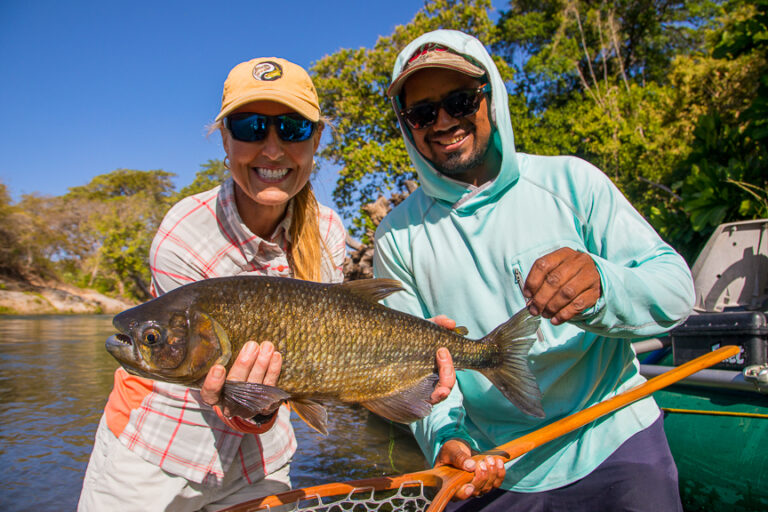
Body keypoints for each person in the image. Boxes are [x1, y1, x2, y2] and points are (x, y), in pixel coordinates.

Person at [78, 56, 455, 511]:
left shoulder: (329, 231)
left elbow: (328, 359)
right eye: (251, 127)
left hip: (262, 465)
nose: (272, 149)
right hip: (150, 461)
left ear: (316, 139)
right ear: (224, 139)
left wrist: (407, 352)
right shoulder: (182, 233)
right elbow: (200, 375)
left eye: (293, 129)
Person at [373, 30, 696, 510]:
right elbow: (412, 370)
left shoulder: (572, 181)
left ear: (491, 98)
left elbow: (675, 291)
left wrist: (604, 285)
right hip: (493, 468)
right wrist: (446, 438)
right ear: (407, 124)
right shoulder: (396, 237)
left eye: (460, 101)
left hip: (616, 439)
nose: (442, 122)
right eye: (421, 113)